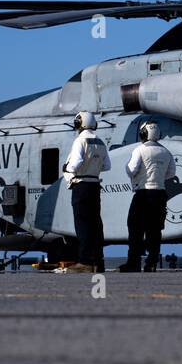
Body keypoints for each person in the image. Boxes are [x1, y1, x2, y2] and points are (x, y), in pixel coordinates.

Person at [120, 121, 175, 273]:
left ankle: (133, 263)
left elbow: (131, 170)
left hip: (143, 193)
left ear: (144, 134)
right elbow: (171, 173)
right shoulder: (166, 151)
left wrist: (128, 167)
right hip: (160, 192)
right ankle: (151, 262)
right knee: (155, 230)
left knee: (135, 228)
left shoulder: (140, 149)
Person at [63, 111, 111, 273]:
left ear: (79, 124)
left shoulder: (79, 141)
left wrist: (67, 168)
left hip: (81, 185)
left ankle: (84, 261)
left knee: (82, 224)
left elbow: (75, 164)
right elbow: (107, 166)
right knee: (96, 224)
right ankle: (98, 261)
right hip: (95, 185)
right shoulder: (100, 142)